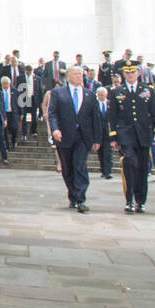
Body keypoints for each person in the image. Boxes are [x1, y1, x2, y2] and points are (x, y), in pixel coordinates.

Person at [46, 66, 102, 213]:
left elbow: (95, 118)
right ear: (68, 76)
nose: (79, 76)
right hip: (64, 136)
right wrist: (55, 129)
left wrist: (97, 139)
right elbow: (52, 113)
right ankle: (73, 194)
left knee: (80, 165)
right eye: (76, 74)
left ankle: (81, 198)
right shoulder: (58, 93)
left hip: (83, 137)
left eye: (81, 74)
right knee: (67, 168)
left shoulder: (89, 94)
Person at [111, 62, 155, 214]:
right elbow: (112, 116)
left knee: (142, 168)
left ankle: (141, 200)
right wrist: (113, 136)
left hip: (143, 135)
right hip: (126, 135)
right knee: (129, 164)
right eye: (127, 72)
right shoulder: (117, 91)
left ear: (138, 73)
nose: (130, 75)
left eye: (133, 72)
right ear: (123, 74)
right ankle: (129, 200)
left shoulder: (147, 90)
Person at [96, 86, 114, 179]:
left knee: (108, 152)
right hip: (98, 133)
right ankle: (103, 170)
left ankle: (108, 172)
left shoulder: (110, 104)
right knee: (100, 153)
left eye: (102, 95)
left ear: (106, 95)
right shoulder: (94, 105)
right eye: (99, 95)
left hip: (108, 132)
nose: (100, 96)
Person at [0, 74, 18, 149]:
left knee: (14, 128)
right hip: (3, 113)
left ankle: (14, 141)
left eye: (7, 84)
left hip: (12, 112)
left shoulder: (14, 91)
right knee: (4, 130)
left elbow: (18, 103)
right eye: (4, 84)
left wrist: (21, 113)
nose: (6, 85)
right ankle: (6, 145)